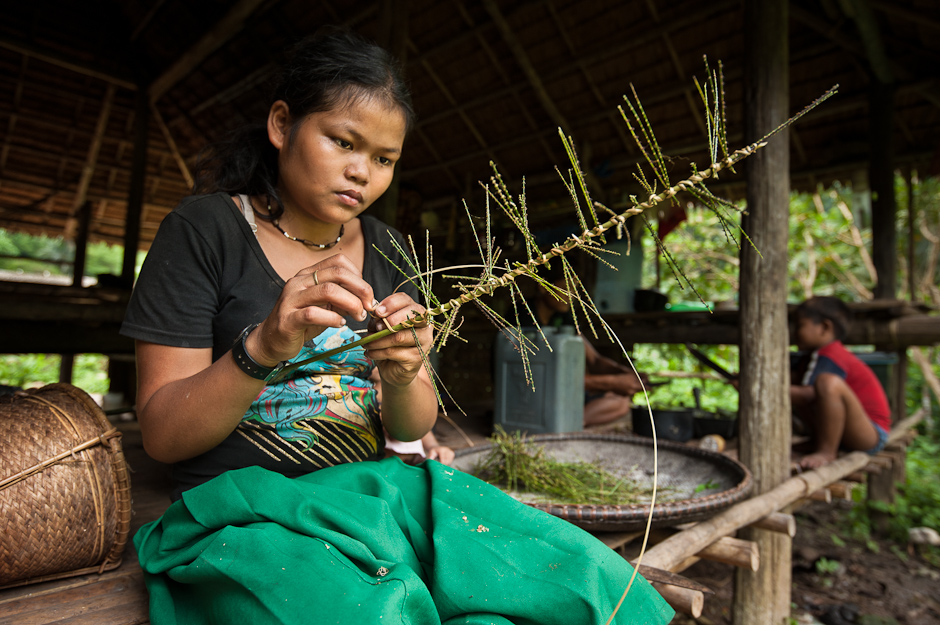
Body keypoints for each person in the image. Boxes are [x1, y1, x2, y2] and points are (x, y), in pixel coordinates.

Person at [121, 29, 672, 625]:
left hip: (371, 497)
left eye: (384, 160)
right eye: (342, 142)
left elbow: (411, 424)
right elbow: (163, 437)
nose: (363, 173)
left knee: (569, 575)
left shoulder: (389, 249)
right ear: (282, 125)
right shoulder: (205, 232)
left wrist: (406, 371)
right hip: (242, 513)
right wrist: (264, 347)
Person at [532, 273, 648, 427]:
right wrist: (612, 382)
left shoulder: (564, 318)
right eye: (567, 288)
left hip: (565, 394)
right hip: (536, 394)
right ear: (542, 286)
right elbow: (541, 379)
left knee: (621, 402)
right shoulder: (523, 318)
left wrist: (623, 373)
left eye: (575, 289)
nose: (572, 295)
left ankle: (571, 423)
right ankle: (563, 424)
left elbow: (594, 359)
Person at [790, 296, 891, 470]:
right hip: (853, 434)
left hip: (870, 434)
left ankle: (826, 451)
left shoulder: (831, 354)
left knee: (828, 383)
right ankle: (819, 443)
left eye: (800, 325)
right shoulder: (811, 358)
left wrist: (760, 389)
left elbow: (807, 395)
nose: (793, 332)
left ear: (824, 327)